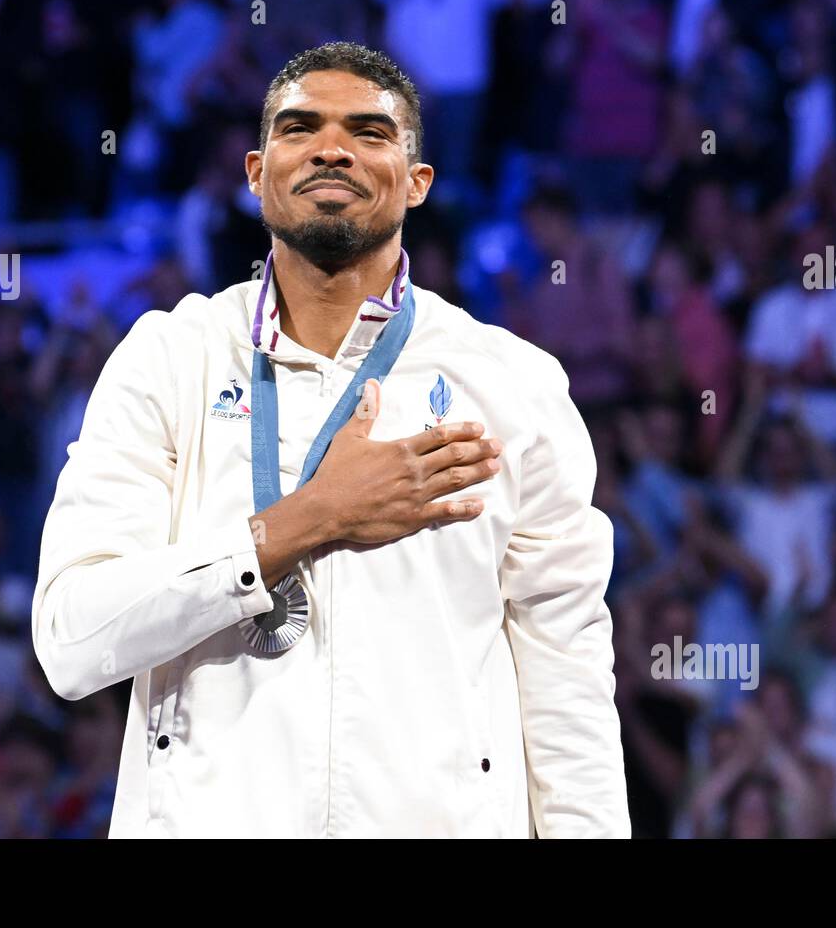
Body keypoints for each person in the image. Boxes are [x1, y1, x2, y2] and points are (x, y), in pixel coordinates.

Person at [31, 42, 630, 838]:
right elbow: (74, 639)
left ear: (416, 183)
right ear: (255, 172)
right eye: (300, 126)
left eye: (369, 132)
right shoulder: (169, 359)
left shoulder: (512, 385)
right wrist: (310, 518)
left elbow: (568, 684)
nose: (332, 148)